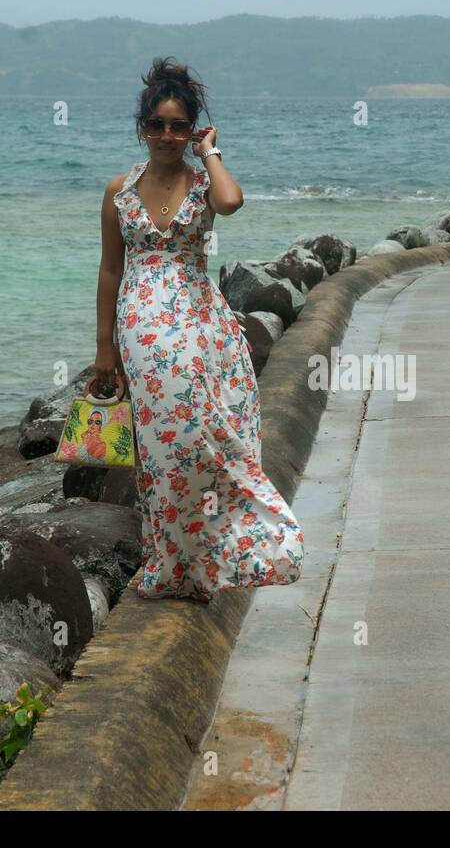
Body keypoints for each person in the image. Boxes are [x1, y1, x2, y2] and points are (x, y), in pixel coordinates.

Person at [91, 56, 305, 602]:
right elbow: (110, 270)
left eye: (179, 126)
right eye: (157, 125)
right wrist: (104, 351)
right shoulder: (119, 189)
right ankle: (169, 563)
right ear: (142, 128)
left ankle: (209, 556)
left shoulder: (202, 182)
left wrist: (210, 152)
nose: (167, 135)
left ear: (192, 129)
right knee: (158, 448)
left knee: (201, 438)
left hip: (197, 320)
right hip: (140, 327)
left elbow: (232, 202)